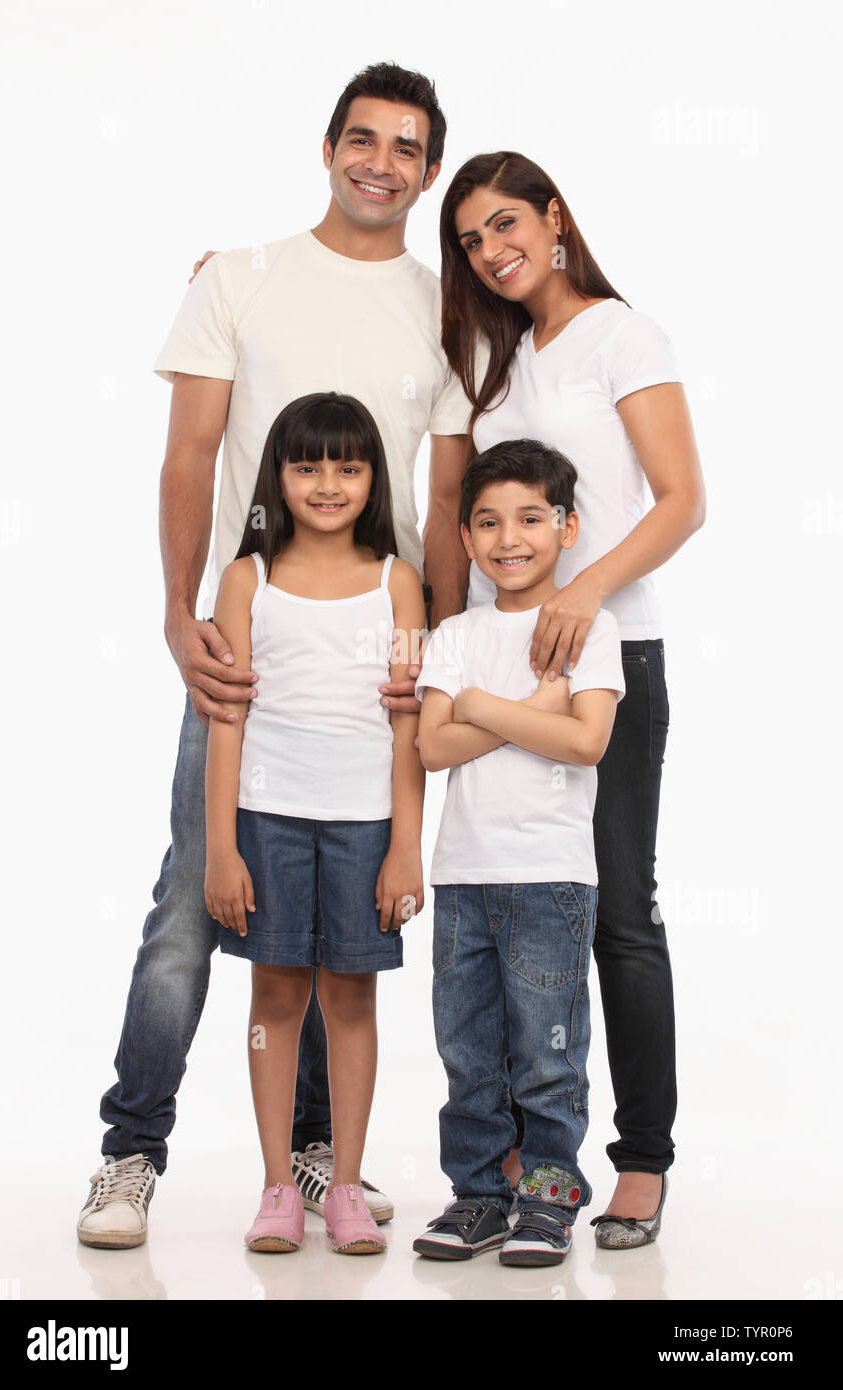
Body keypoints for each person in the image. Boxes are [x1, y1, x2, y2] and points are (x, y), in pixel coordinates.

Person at [77, 61, 472, 1249]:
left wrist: (439, 656)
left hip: (378, 652)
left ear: (428, 168)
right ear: (326, 146)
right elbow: (188, 456)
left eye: (406, 148)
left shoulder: (442, 307)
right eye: (362, 138)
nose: (379, 163)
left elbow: (446, 494)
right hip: (249, 645)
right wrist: (173, 612)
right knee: (196, 911)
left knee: (338, 928)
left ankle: (314, 1161)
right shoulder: (239, 281)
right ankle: (129, 1153)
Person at [437, 151, 706, 1246]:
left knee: (615, 913)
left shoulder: (619, 335)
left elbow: (683, 500)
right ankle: (511, 1161)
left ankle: (637, 1160)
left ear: (554, 218)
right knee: (504, 910)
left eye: (506, 224)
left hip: (608, 656)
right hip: (492, 662)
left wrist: (583, 597)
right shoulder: (486, 359)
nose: (491, 251)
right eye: (467, 240)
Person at [204, 392, 425, 1254]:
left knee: (352, 998)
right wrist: (222, 846)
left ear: (373, 477)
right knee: (276, 996)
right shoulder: (245, 579)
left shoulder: (396, 582)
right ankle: (275, 1187)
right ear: (279, 477)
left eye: (349, 466)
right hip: (269, 821)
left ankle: (342, 1185)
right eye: (307, 466)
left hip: (365, 825)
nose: (328, 484)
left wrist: (405, 845)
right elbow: (228, 719)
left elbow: (409, 722)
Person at [411, 439, 625, 1265]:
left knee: (547, 1051)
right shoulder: (457, 632)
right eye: (489, 522)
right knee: (467, 1050)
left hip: (551, 879)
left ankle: (547, 1198)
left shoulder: (587, 626)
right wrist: (531, 708)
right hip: (464, 875)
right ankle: (478, 1198)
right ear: (464, 538)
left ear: (567, 528)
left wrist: (479, 707)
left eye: (532, 518)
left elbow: (585, 743)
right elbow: (430, 750)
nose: (511, 538)